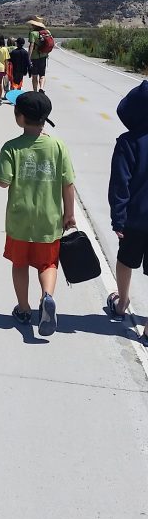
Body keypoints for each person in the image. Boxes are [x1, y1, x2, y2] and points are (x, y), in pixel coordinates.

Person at [0, 91, 76, 336]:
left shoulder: (11, 148)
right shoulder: (58, 146)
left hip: (19, 221)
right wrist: (69, 214)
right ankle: (47, 297)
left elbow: (3, 181)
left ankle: (25, 309)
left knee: (19, 264)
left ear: (21, 117)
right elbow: (68, 184)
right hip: (48, 220)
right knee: (48, 263)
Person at [106, 80, 148, 340]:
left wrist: (118, 218)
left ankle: (122, 303)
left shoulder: (128, 142)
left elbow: (120, 184)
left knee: (126, 260)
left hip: (134, 219)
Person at [27, 17, 49, 92]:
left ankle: (35, 91)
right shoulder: (47, 32)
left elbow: (31, 46)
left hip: (34, 57)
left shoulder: (33, 34)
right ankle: (41, 88)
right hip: (43, 56)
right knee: (42, 75)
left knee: (34, 75)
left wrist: (28, 57)